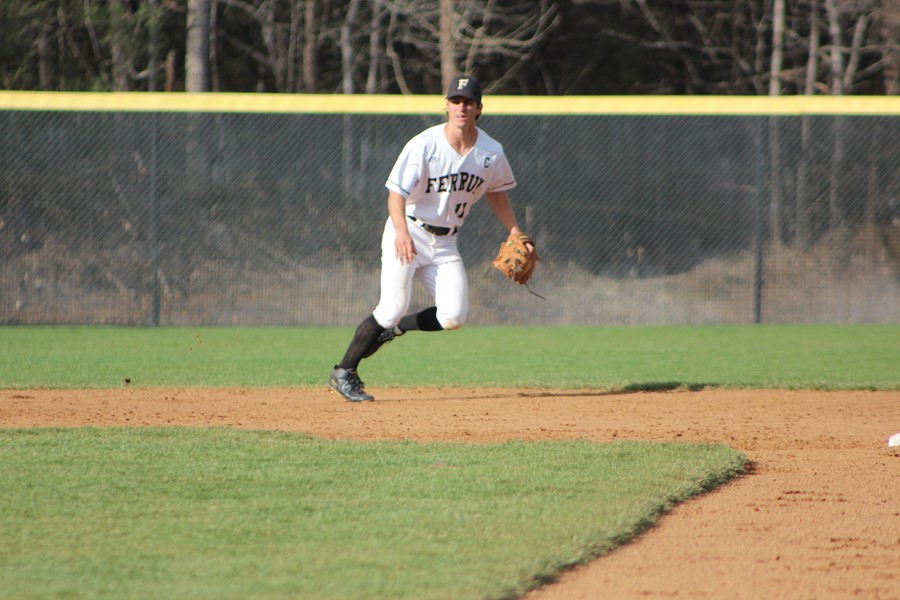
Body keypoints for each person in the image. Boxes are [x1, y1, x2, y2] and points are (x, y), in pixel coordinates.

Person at [328, 74, 534, 402]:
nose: (461, 107)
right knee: (391, 307)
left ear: (479, 108)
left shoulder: (491, 152)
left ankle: (396, 329)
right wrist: (400, 232)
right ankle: (344, 372)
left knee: (453, 317)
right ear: (447, 106)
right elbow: (395, 194)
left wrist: (514, 231)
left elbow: (496, 192)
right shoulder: (424, 144)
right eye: (455, 101)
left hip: (446, 243)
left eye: (468, 102)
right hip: (409, 230)